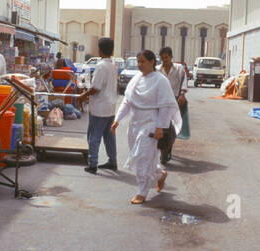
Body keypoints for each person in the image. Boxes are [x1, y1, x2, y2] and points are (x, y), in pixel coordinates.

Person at [111, 50, 180, 205]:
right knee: (141, 157)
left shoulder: (161, 81)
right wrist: (117, 120)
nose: (139, 64)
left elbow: (166, 105)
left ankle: (142, 192)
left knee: (142, 158)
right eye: (138, 61)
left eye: (143, 61)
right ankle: (159, 174)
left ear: (152, 62)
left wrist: (160, 127)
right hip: (135, 124)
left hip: (151, 124)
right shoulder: (135, 79)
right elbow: (127, 102)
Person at [79, 37, 119, 175]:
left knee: (94, 136)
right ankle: (112, 161)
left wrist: (84, 95)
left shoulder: (101, 65)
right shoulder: (113, 65)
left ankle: (92, 163)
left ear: (100, 50)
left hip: (100, 108)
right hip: (110, 107)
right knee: (109, 137)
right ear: (112, 50)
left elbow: (95, 87)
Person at [157, 46, 188, 164]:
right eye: (162, 58)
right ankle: (163, 152)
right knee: (163, 126)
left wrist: (183, 94)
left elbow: (184, 82)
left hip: (175, 100)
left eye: (167, 57)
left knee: (173, 127)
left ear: (171, 57)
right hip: (161, 102)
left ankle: (168, 149)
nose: (165, 60)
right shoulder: (157, 70)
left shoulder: (179, 68)